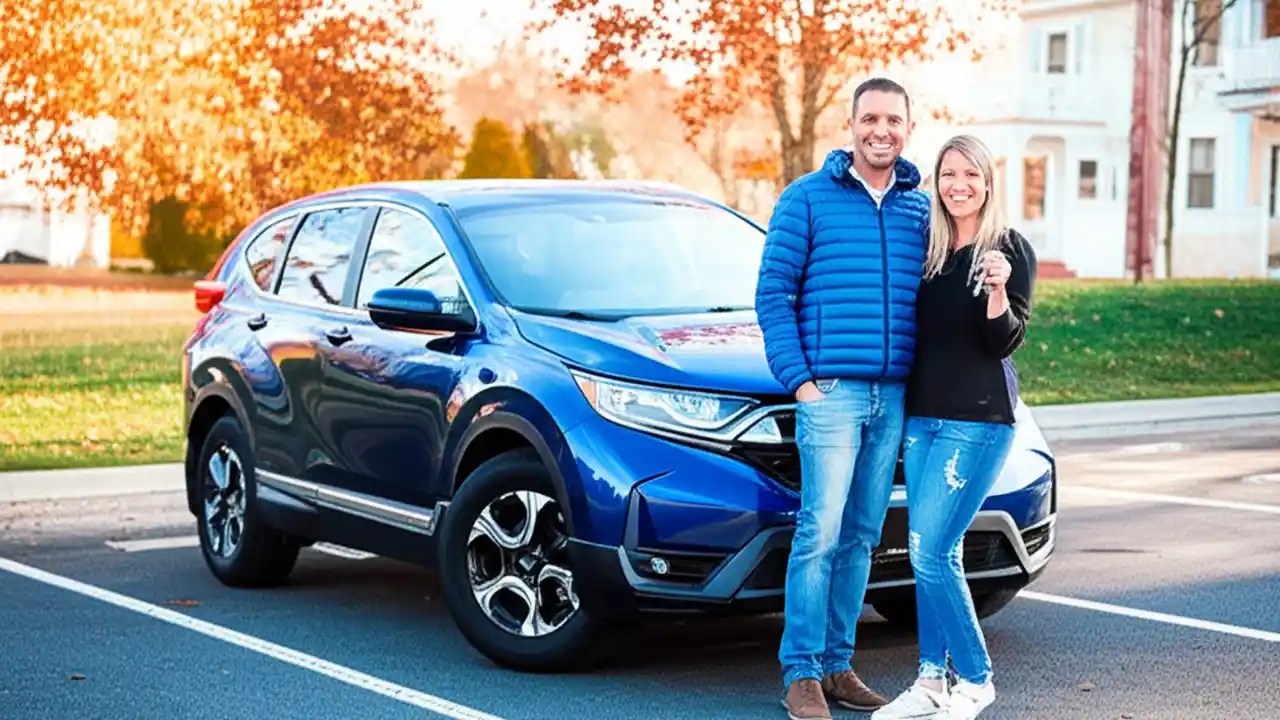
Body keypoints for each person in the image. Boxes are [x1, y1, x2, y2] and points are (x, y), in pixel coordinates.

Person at [755, 77, 931, 720]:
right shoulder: (806, 198)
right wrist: (800, 380)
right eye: (870, 119)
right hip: (830, 393)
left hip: (893, 394)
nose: (881, 131)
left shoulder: (921, 209)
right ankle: (800, 673)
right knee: (819, 533)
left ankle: (836, 664)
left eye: (893, 120)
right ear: (851, 125)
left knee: (861, 535)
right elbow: (773, 293)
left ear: (908, 128)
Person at [872, 134, 1037, 720]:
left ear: (988, 183)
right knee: (928, 552)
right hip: (923, 419)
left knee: (932, 552)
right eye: (948, 174)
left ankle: (975, 678)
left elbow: (1003, 341)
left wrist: (997, 289)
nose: (958, 185)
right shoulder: (930, 249)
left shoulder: (1009, 248)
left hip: (978, 421)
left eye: (970, 175)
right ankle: (930, 682)